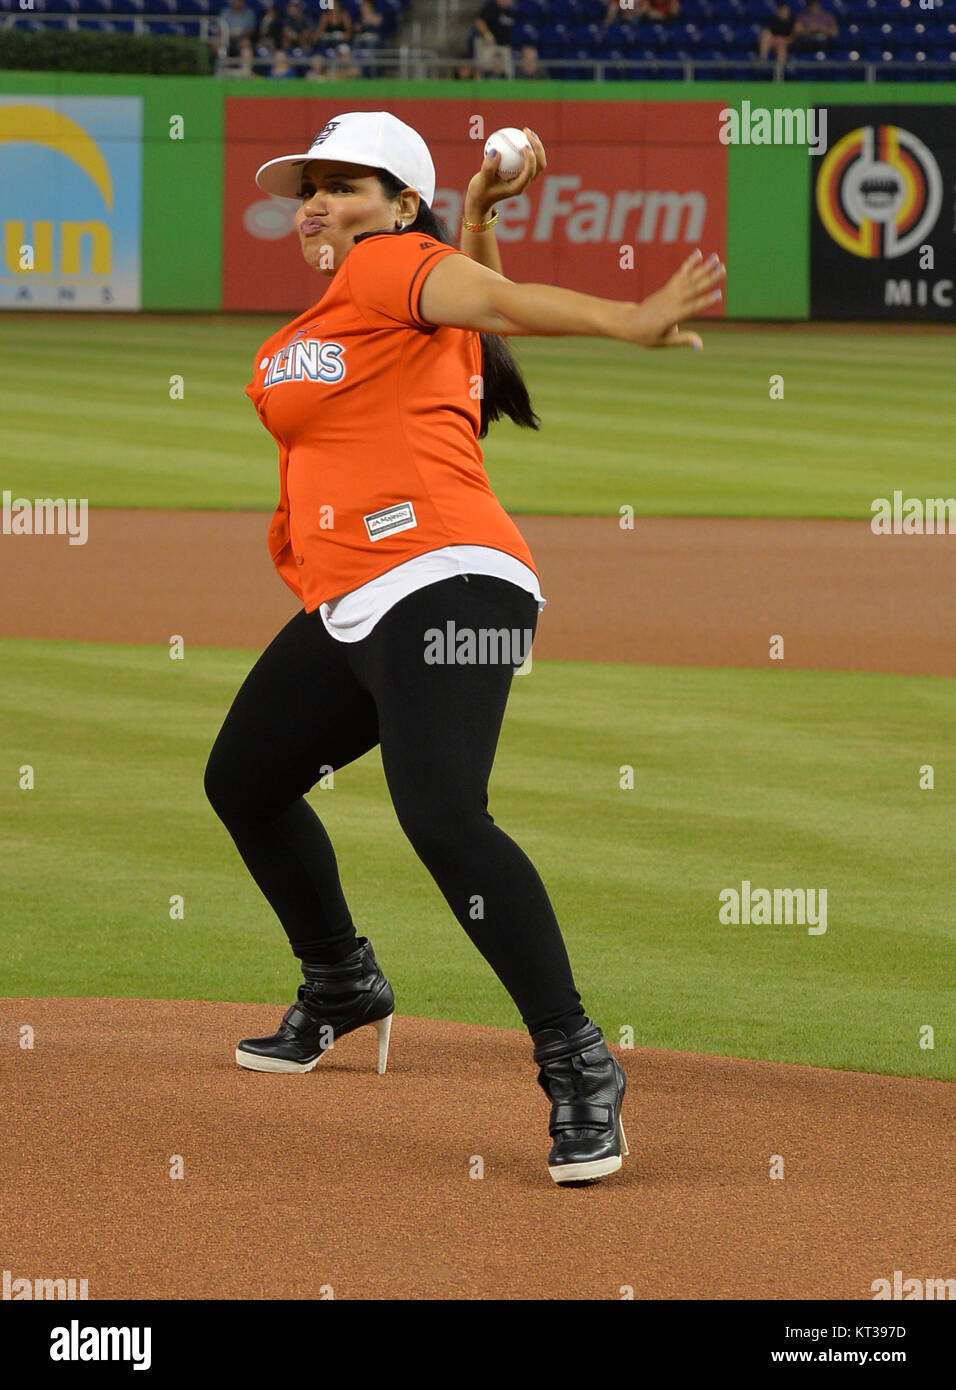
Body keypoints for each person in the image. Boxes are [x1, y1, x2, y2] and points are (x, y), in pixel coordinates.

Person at [204, 110, 723, 1185]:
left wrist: (624, 320)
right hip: (353, 601)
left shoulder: (389, 266)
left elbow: (490, 300)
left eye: (344, 184)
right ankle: (341, 983)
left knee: (440, 809)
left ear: (399, 208)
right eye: (309, 185)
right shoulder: (356, 309)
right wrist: (480, 218)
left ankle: (578, 1061)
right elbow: (469, 341)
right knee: (244, 779)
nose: (316, 201)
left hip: (446, 582)